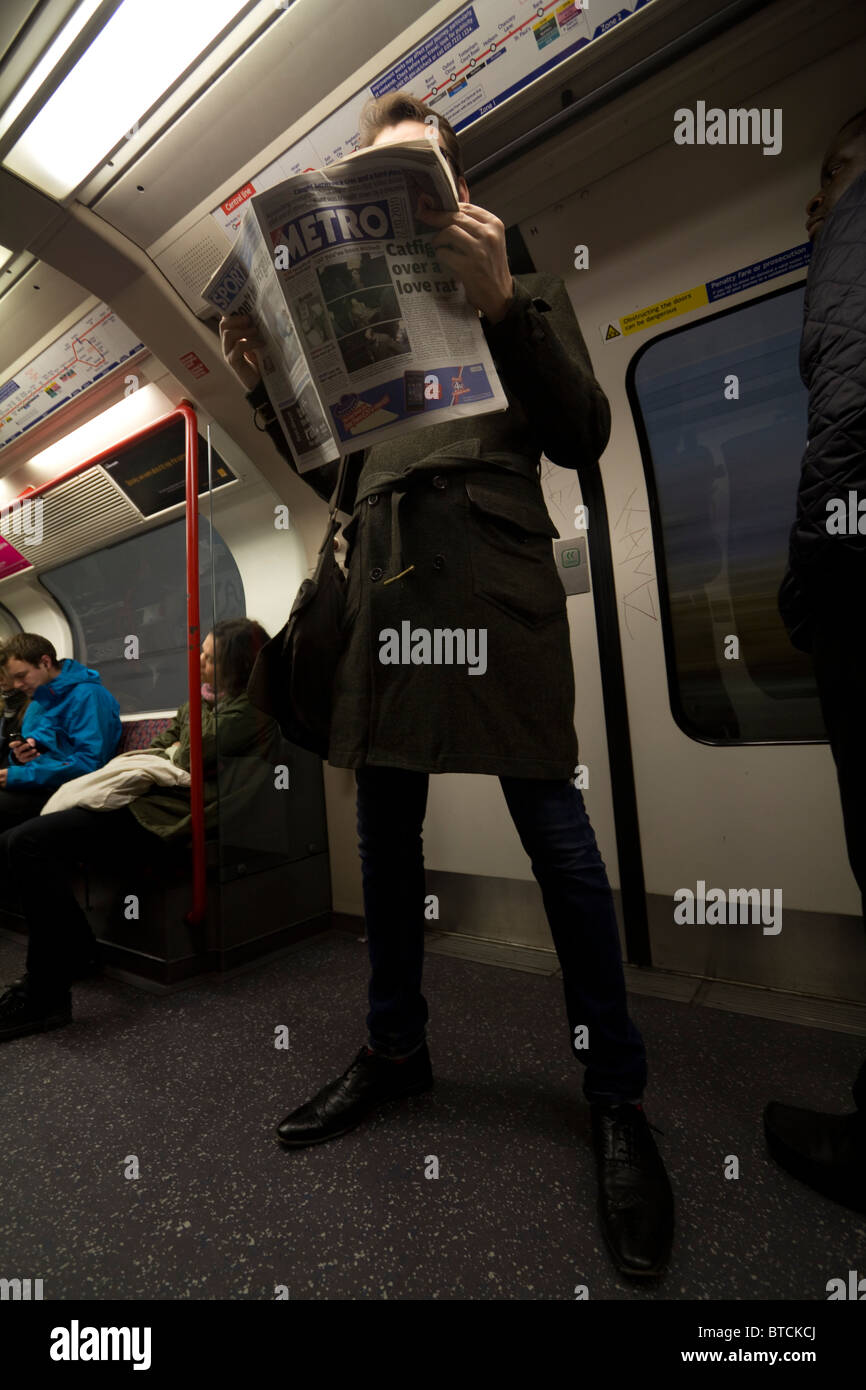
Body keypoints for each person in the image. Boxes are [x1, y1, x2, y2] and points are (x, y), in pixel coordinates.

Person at [220, 91, 674, 1279]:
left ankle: (615, 1095)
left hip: (492, 582)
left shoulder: (510, 273)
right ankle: (395, 1048)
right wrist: (270, 384)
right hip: (384, 582)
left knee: (556, 839)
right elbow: (334, 478)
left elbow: (580, 430)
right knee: (383, 835)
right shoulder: (362, 317)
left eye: (413, 171)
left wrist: (502, 301)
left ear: (452, 187)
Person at [0, 620, 281, 1044]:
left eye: (208, 655)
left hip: (174, 812)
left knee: (28, 841)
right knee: (21, 841)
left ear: (236, 664)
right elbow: (164, 746)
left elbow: (186, 755)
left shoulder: (253, 711)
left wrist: (182, 735)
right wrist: (181, 735)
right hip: (149, 798)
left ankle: (47, 996)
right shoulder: (199, 705)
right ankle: (73, 949)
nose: (198, 661)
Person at [767, 108, 866, 1214]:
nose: (814, 200)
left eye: (829, 172)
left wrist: (811, 582)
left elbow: (849, 424)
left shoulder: (856, 235)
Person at [0, 635, 121, 831]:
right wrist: (21, 757)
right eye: (13, 679)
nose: (16, 685)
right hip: (41, 783)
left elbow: (91, 763)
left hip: (68, 789)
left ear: (45, 662)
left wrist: (20, 775)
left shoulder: (89, 696)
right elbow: (46, 748)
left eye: (21, 676)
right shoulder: (38, 701)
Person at [0, 667, 29, 769]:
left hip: (16, 773)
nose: (1, 679)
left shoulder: (32, 707)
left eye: (4, 673)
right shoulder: (5, 705)